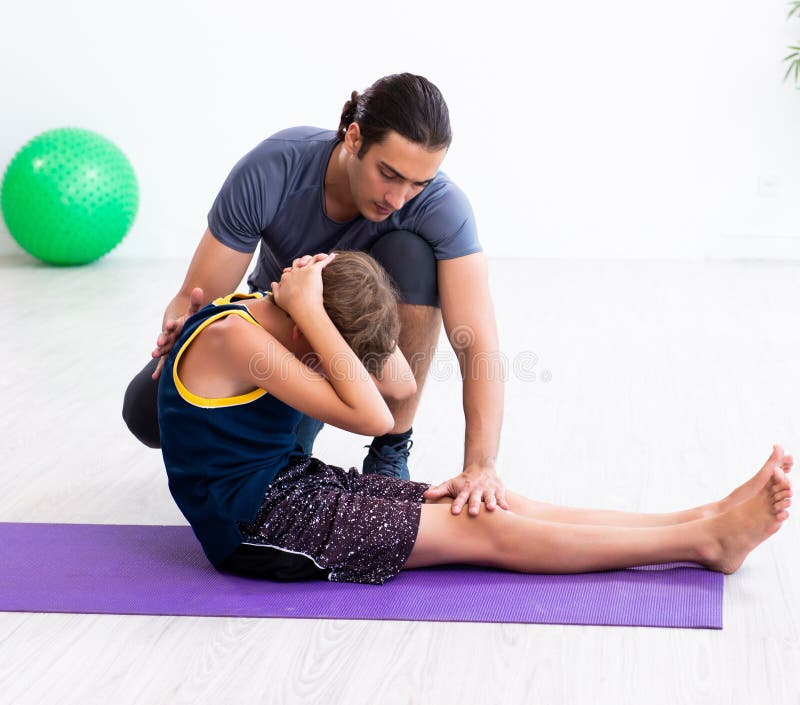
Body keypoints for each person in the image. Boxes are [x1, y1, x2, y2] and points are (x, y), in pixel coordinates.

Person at [159, 252, 792, 585]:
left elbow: (398, 379)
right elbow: (378, 415)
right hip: (256, 527)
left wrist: (318, 307)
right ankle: (705, 544)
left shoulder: (265, 316)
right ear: (307, 329)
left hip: (293, 491)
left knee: (491, 500)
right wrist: (319, 319)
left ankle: (702, 516)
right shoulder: (239, 341)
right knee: (481, 530)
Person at [124, 73, 505, 513]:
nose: (400, 199)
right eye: (389, 174)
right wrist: (180, 328)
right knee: (147, 412)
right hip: (287, 335)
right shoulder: (275, 169)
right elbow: (196, 299)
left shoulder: (441, 207)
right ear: (354, 138)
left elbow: (476, 341)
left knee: (412, 252)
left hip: (366, 349)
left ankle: (390, 450)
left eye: (418, 183)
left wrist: (481, 465)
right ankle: (285, 435)